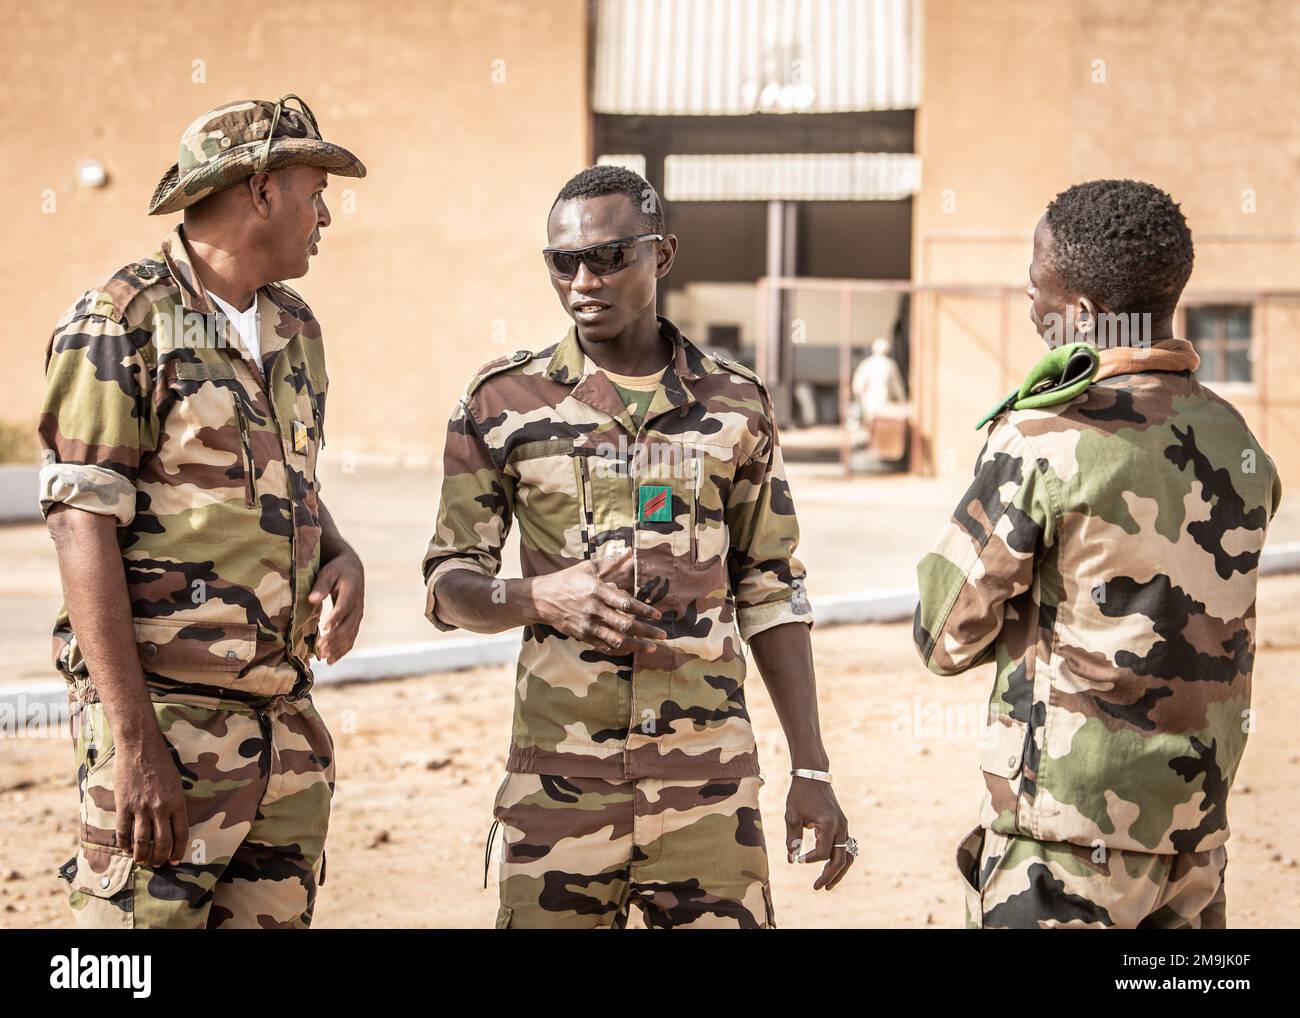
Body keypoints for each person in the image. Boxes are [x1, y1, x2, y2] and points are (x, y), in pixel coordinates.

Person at [422, 165, 854, 928]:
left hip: (708, 790)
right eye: (564, 261)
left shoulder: (735, 404)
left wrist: (811, 767)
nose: (584, 280)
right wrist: (535, 597)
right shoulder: (500, 404)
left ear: (663, 254)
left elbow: (771, 589)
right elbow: (449, 583)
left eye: (610, 256)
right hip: (560, 789)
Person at [915, 179, 1282, 929]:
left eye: (1034, 286)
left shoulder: (1044, 441)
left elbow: (943, 633)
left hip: (1068, 845)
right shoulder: (1235, 438)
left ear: (1081, 314)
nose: (1028, 303)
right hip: (1193, 844)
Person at [38, 95, 367, 928]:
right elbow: (82, 522)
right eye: (311, 190)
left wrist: (340, 550)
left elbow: (287, 475)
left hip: (282, 729)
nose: (324, 213)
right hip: (168, 732)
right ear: (258, 191)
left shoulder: (295, 328)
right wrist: (135, 742)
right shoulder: (123, 321)